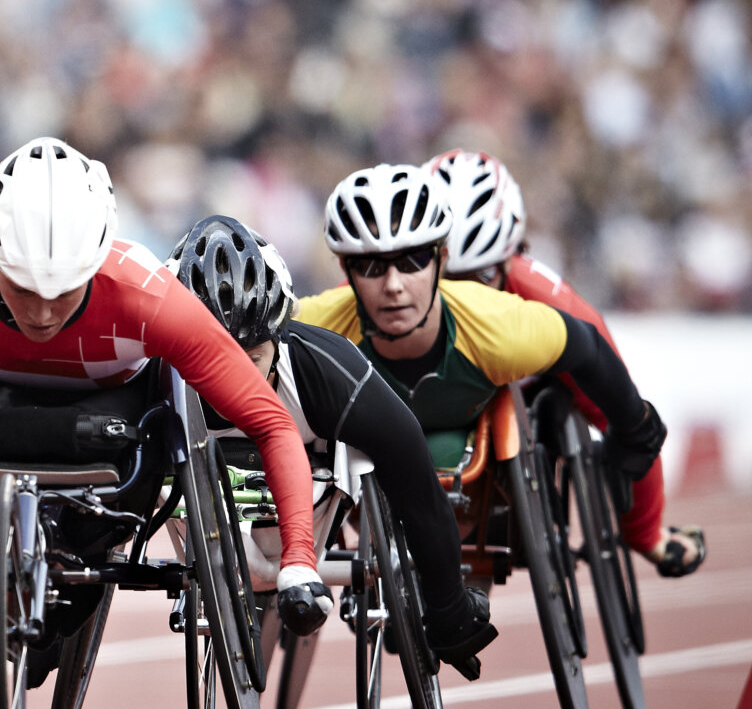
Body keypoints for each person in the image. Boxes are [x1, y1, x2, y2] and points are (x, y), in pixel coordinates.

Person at [0, 136, 331, 670]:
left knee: (62, 616)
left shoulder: (152, 298)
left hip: (117, 422)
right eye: (23, 289)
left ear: (97, 259)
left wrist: (299, 558)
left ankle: (73, 566)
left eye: (63, 291)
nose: (42, 314)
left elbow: (271, 423)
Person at [299, 162, 669, 576]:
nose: (394, 286)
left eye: (414, 261)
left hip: (475, 421)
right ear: (348, 271)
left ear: (439, 260)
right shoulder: (323, 317)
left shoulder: (505, 319)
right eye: (370, 266)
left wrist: (645, 526)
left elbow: (598, 365)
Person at [168, 215, 497, 677]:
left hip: (317, 495)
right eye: (213, 356)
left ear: (278, 334)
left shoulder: (325, 368)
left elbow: (414, 473)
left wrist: (448, 607)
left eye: (252, 356)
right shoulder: (153, 370)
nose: (233, 377)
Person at [427, 149, 703, 577]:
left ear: (512, 254)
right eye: (448, 281)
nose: (467, 299)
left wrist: (646, 535)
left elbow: (624, 405)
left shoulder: (542, 292)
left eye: (480, 278)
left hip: (524, 385)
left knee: (629, 420)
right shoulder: (386, 286)